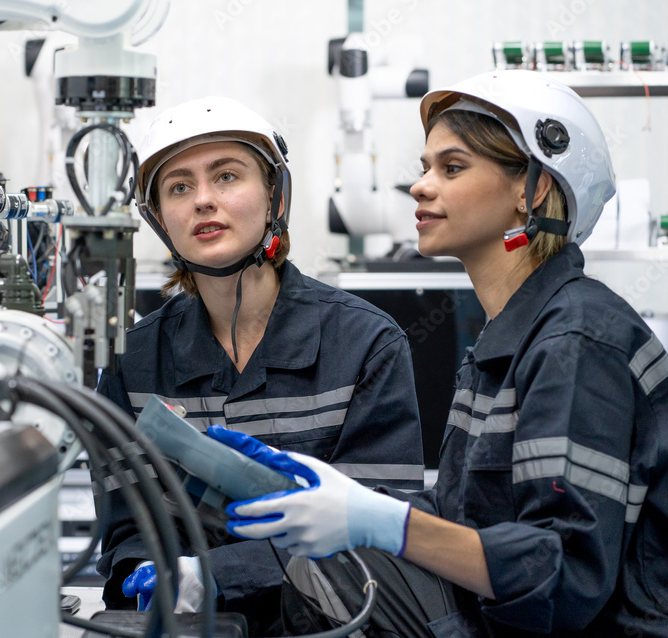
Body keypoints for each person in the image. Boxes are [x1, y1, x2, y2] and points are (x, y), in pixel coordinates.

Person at [208, 70, 668, 637]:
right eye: (426, 168)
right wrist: (349, 500)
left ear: (533, 190)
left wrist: (387, 524)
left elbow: (565, 579)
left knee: (338, 576)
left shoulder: (574, 341)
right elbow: (461, 520)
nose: (421, 187)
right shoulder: (506, 342)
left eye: (452, 168)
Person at [94, 96, 426, 636]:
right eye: (179, 186)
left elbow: (379, 533)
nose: (203, 201)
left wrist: (220, 573)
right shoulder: (131, 362)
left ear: (275, 194)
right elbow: (126, 528)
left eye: (226, 176)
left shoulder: (367, 343)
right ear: (158, 219)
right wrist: (149, 575)